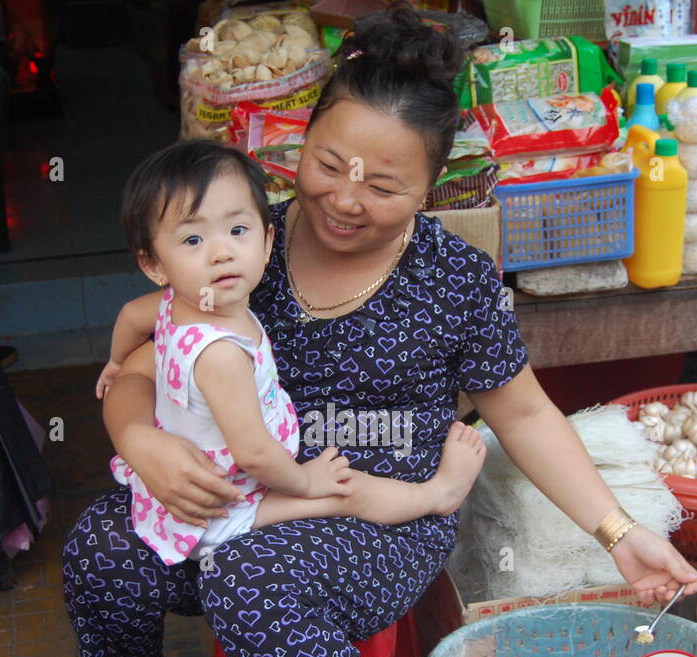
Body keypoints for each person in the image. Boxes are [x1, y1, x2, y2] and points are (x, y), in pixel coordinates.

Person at [46, 3, 697, 657]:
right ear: (302, 142)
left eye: (385, 186)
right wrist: (140, 440)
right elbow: (144, 355)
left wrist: (619, 533)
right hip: (235, 488)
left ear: (433, 186)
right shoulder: (245, 237)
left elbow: (527, 412)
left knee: (253, 576)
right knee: (99, 545)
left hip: (384, 512)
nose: (346, 199)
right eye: (329, 164)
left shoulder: (453, 279)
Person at [88, 139, 487, 570]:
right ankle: (438, 494)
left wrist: (116, 361)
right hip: (225, 505)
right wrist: (308, 482)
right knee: (347, 493)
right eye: (193, 239)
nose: (221, 251)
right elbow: (254, 454)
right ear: (154, 265)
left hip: (197, 483)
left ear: (266, 241)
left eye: (237, 230)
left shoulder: (171, 305)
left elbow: (130, 315)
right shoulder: (221, 354)